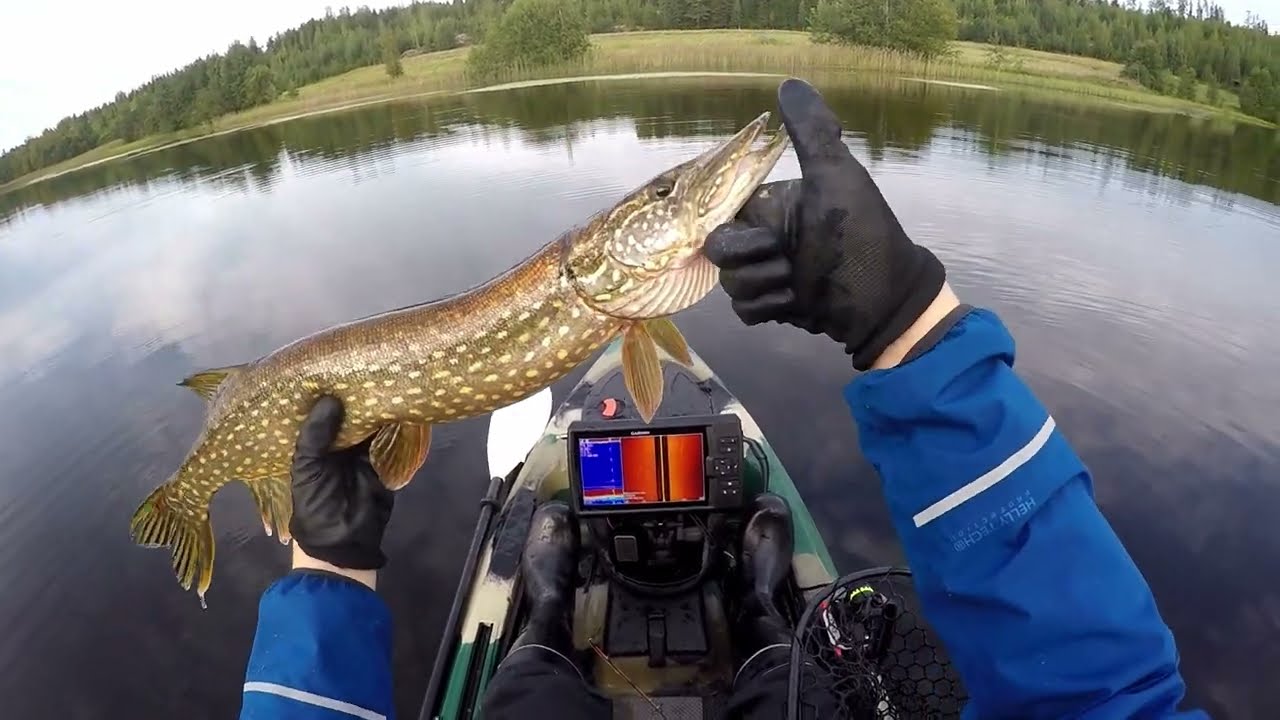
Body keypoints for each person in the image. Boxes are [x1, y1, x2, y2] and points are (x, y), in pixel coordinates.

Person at [239, 78, 1205, 720]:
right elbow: (1102, 693)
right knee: (790, 694)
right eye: (666, 194)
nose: (689, 188)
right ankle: (758, 624)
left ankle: (543, 630)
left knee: (528, 697)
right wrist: (912, 328)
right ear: (607, 250)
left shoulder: (618, 297)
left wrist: (329, 575)